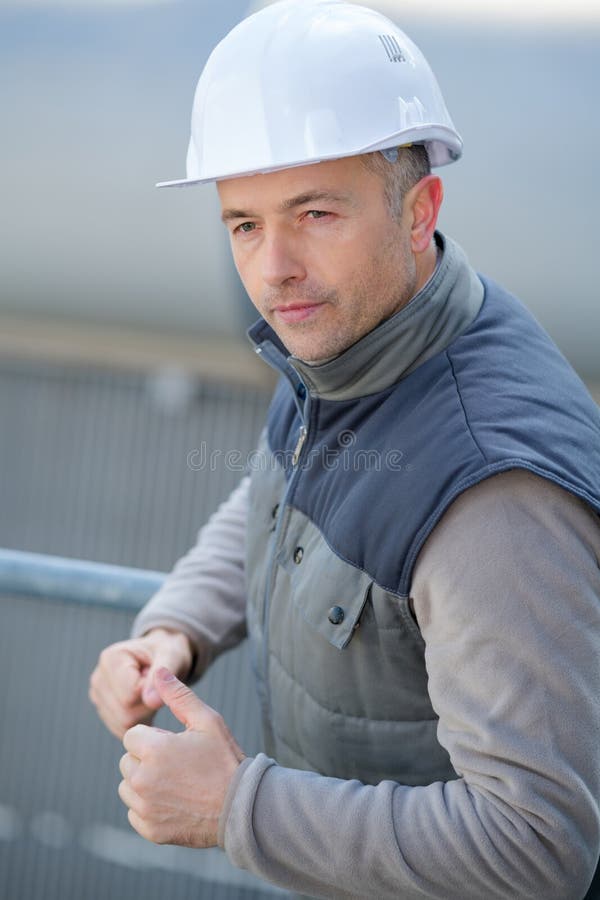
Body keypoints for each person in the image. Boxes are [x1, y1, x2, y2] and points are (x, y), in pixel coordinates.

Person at [89, 1, 600, 897]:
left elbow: (536, 847)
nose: (273, 268)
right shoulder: (358, 331)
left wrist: (234, 808)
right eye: (243, 224)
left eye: (315, 212)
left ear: (419, 208)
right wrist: (179, 628)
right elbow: (278, 484)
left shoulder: (493, 499)